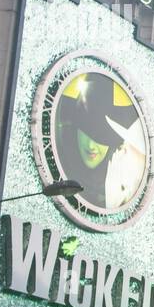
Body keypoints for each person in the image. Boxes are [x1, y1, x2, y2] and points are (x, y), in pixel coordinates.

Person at [54, 72, 145, 210]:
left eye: (103, 139)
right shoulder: (56, 165)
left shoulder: (118, 190)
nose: (91, 146)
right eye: (85, 132)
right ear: (74, 130)